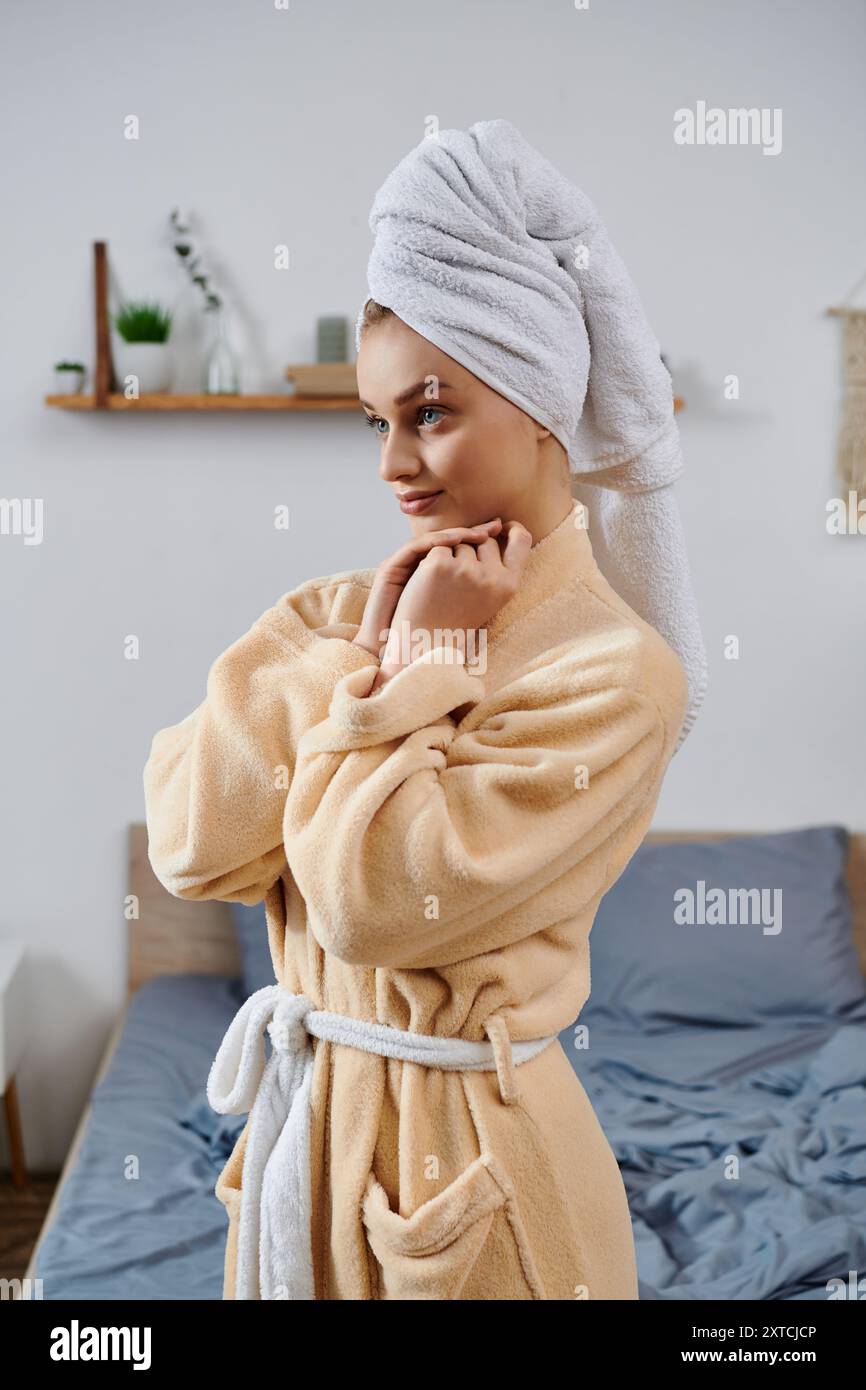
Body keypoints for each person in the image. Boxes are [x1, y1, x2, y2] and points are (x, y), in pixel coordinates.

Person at [143, 120, 704, 1301]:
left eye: (431, 412)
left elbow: (377, 902)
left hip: (480, 1181)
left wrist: (422, 665)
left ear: (543, 403)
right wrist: (368, 652)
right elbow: (190, 844)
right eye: (375, 422)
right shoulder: (342, 609)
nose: (392, 464)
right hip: (311, 1139)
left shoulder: (614, 675)